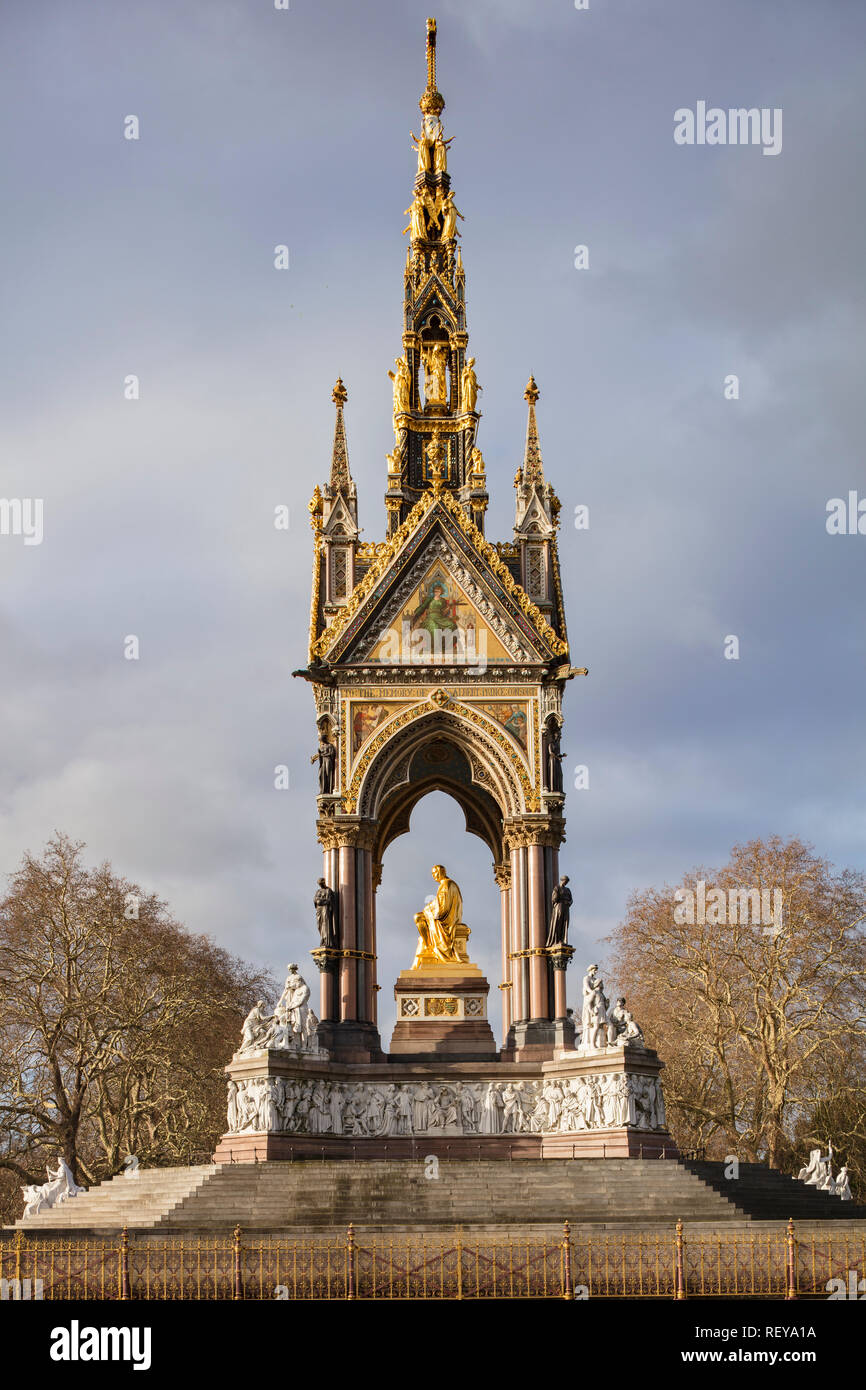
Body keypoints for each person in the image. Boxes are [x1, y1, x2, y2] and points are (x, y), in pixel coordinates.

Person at [545, 875, 572, 948]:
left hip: (566, 907)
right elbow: (554, 899)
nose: (566, 883)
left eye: (567, 882)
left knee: (565, 923)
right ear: (562, 880)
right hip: (559, 906)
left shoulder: (568, 890)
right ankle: (557, 940)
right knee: (558, 923)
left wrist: (568, 902)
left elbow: (571, 900)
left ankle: (562, 939)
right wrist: (559, 900)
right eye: (565, 881)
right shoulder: (557, 888)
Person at [314, 878, 339, 948]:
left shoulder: (328, 891)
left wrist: (321, 901)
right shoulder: (318, 891)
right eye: (319, 884)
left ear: (324, 883)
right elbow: (315, 900)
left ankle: (327, 941)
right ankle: (323, 939)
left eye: (321, 884)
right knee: (320, 924)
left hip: (326, 909)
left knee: (326, 924)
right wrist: (320, 901)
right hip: (319, 910)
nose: (320, 885)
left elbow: (329, 901)